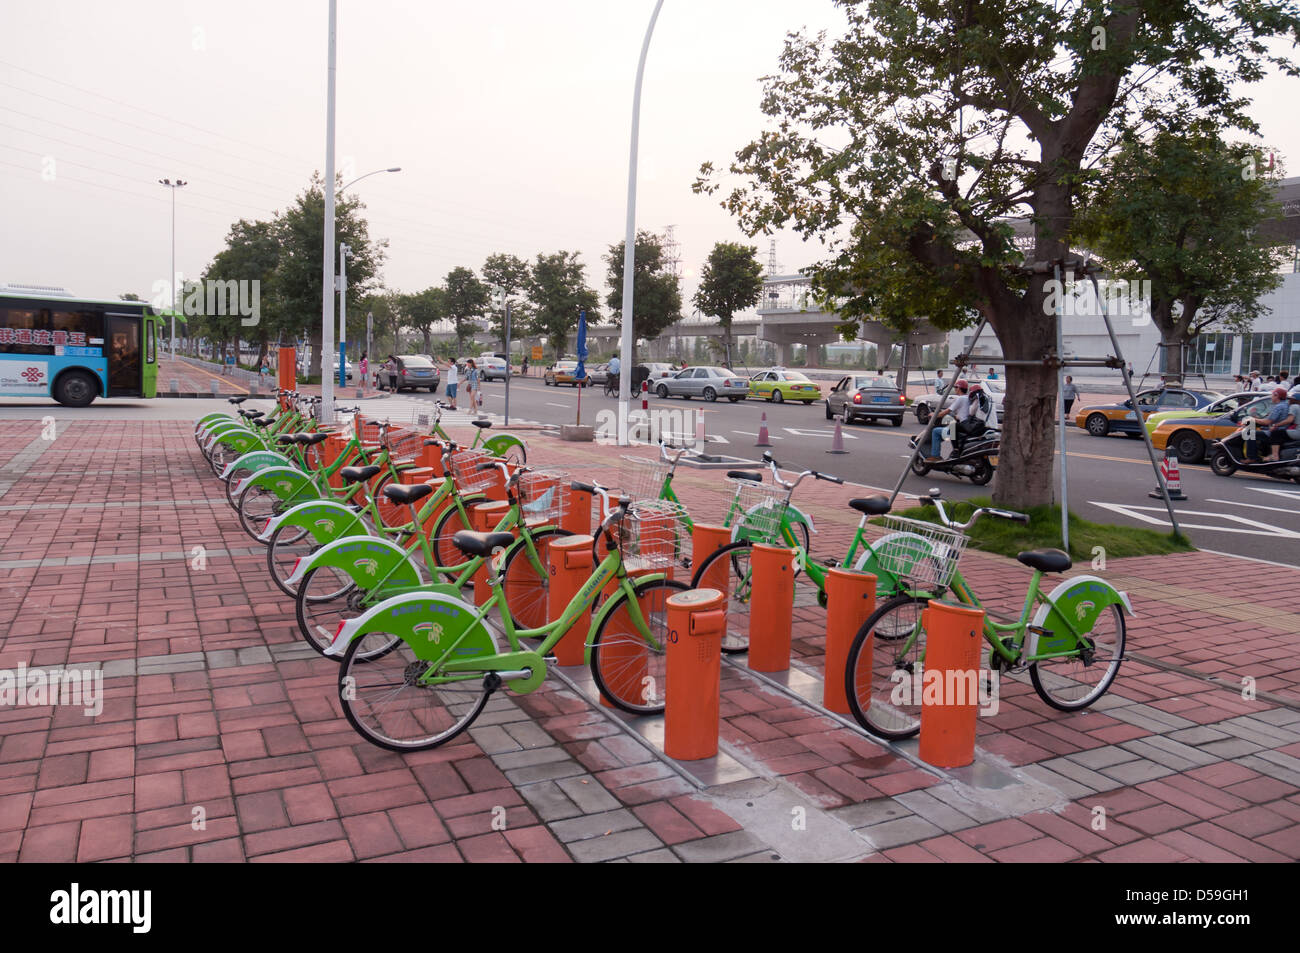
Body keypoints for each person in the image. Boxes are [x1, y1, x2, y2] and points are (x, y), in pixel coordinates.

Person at [1240, 387, 1293, 462]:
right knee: (1260, 430)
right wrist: (1257, 418)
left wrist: (1252, 419)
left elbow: (1267, 422)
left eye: (1272, 395)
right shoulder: (1285, 405)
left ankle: (1252, 457)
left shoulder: (1279, 407)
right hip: (1280, 430)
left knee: (1250, 433)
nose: (1271, 397)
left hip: (1274, 432)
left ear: (1276, 396)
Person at [926, 379, 970, 461]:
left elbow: (946, 412)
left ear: (959, 388)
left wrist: (934, 415)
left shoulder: (960, 399)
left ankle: (935, 456)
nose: (955, 389)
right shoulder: (968, 398)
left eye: (956, 387)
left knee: (935, 431)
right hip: (967, 426)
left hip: (961, 427)